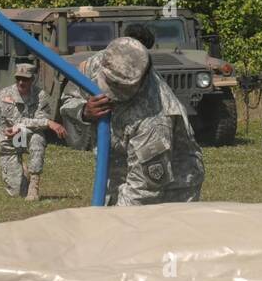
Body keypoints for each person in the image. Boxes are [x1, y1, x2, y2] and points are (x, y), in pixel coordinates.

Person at [60, 37, 204, 205]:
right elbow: (69, 98)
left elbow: (143, 192)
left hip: (169, 191)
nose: (109, 93)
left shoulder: (155, 119)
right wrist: (84, 111)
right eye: (108, 83)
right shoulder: (106, 61)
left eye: (118, 87)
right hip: (116, 174)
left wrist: (117, 223)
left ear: (141, 81)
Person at [0, 63, 65, 200]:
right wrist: (48, 122)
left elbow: (39, 122)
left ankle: (34, 185)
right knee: (17, 193)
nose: (21, 82)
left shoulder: (41, 96)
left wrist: (43, 122)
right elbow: (16, 122)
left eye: (25, 79)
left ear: (32, 79)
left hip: (27, 136)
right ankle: (22, 169)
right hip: (10, 140)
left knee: (37, 138)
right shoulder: (5, 95)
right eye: (18, 78)